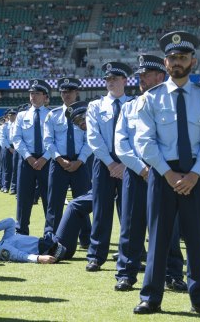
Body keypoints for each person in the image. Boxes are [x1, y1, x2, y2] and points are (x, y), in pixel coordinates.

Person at [134, 31, 200, 316]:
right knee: (158, 238)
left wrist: (195, 174)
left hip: (196, 174)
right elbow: (144, 141)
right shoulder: (151, 98)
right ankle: (150, 298)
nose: (177, 62)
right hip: (163, 175)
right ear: (165, 62)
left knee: (196, 239)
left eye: (183, 57)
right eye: (172, 58)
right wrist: (168, 174)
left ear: (193, 61)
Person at [114, 54, 185, 292]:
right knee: (131, 226)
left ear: (160, 76)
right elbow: (121, 143)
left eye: (146, 74)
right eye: (140, 75)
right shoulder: (130, 106)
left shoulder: (174, 104)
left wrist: (161, 169)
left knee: (169, 227)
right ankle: (126, 273)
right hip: (137, 173)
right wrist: (142, 168)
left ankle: (173, 274)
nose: (141, 79)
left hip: (166, 174)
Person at [85, 61, 134, 272]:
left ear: (125, 80)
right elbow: (93, 137)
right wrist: (112, 163)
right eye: (108, 79)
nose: (110, 82)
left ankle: (132, 253)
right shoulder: (95, 106)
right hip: (104, 163)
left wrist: (125, 162)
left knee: (130, 212)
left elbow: (138, 136)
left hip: (129, 164)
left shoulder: (134, 104)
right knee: (101, 210)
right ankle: (96, 256)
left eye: (115, 79)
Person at [43, 77, 92, 247]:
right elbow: (48, 140)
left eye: (70, 91)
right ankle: (51, 237)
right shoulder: (53, 114)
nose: (66, 95)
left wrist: (80, 160)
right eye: (63, 92)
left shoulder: (86, 114)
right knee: (54, 203)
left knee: (84, 202)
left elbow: (89, 140)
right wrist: (59, 159)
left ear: (76, 92)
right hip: (58, 163)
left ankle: (86, 238)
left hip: (80, 163)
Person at [13, 79, 52, 235]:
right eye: (31, 93)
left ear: (45, 97)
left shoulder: (51, 115)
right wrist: (28, 157)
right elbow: (16, 138)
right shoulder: (22, 116)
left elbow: (55, 140)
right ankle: (21, 232)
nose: (33, 96)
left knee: (49, 199)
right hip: (26, 161)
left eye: (37, 93)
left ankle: (51, 232)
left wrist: (45, 157)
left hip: (46, 161)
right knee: (23, 199)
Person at [0, 218, 66, 264]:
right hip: (48, 248)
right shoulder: (2, 249)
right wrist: (39, 258)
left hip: (47, 243)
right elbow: (20, 255)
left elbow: (10, 222)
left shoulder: (4, 242)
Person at [0, 109, 16, 193]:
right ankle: (5, 186)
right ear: (8, 116)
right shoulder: (4, 126)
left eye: (13, 115)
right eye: (10, 115)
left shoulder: (18, 125)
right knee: (7, 168)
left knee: (15, 169)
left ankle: (13, 188)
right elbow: (3, 139)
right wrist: (10, 148)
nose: (12, 116)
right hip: (7, 148)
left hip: (16, 147)